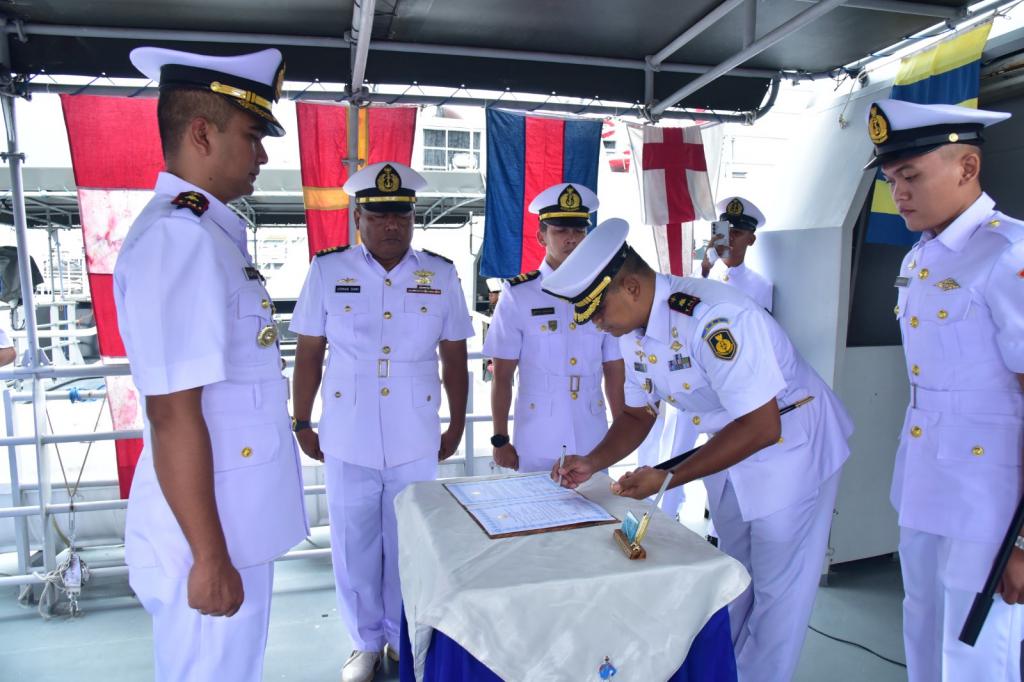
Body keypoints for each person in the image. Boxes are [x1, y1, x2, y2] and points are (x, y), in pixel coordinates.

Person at [544, 218, 852, 682]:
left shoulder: (713, 317)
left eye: (597, 311)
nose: (596, 325)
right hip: (730, 444)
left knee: (777, 591)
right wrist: (591, 462)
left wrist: (668, 477)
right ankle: (723, 671)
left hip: (792, 447)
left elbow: (761, 425)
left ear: (630, 286)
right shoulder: (634, 330)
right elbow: (636, 415)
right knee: (734, 575)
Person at [113, 47, 307, 681]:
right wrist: (208, 556)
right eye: (252, 135)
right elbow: (172, 414)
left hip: (230, 525)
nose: (263, 155)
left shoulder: (211, 235)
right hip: (208, 534)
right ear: (202, 132)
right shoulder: (180, 239)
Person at [289, 161, 473, 682]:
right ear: (358, 218)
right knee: (354, 542)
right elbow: (308, 351)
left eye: (401, 214)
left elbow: (454, 356)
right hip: (346, 432)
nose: (392, 224)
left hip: (416, 432)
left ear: (412, 218)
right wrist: (302, 420)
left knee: (410, 542)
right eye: (379, 214)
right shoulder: (328, 271)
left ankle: (400, 635)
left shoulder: (439, 273)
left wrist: (457, 421)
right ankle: (363, 642)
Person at [866, 98, 1024, 681]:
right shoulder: (924, 256)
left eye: (910, 175)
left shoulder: (1009, 254)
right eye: (890, 179)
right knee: (924, 633)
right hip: (927, 483)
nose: (898, 192)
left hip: (993, 500)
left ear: (966, 168)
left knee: (976, 654)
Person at [483, 183, 624, 473]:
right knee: (537, 514)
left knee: (595, 515)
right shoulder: (519, 293)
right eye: (560, 230)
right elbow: (503, 373)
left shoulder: (604, 292)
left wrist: (621, 436)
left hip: (592, 434)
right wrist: (500, 438)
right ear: (541, 236)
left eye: (578, 230)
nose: (571, 239)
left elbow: (614, 370)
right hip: (537, 436)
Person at [701, 196, 773, 312]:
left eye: (736, 232)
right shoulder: (702, 273)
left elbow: (760, 328)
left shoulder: (762, 287)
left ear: (751, 240)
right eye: (724, 231)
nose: (729, 237)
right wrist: (704, 270)